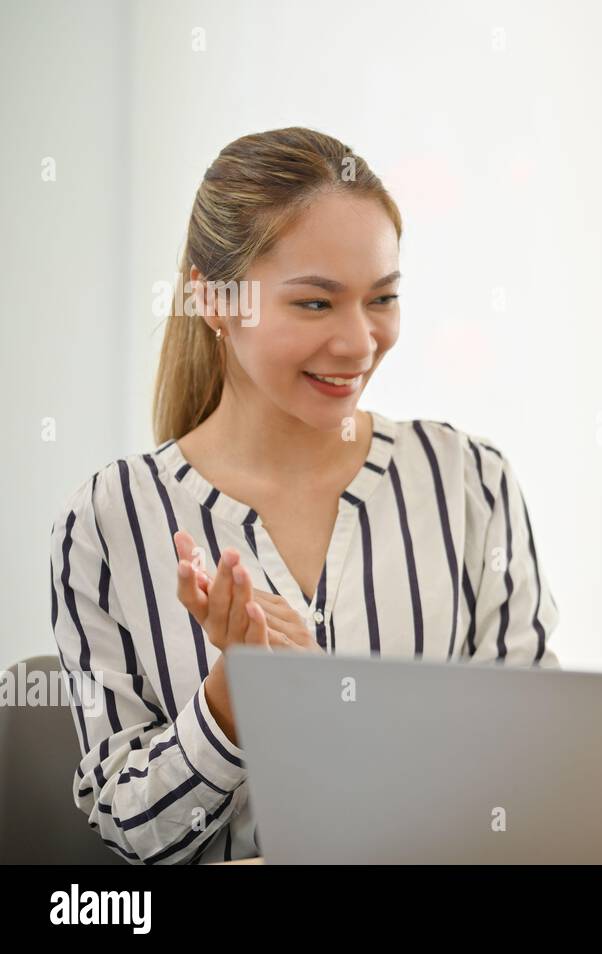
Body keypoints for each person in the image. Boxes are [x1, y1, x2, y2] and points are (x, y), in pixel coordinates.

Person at [49, 127, 559, 864]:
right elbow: (132, 835)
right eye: (317, 305)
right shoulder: (109, 519)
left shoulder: (470, 481)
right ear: (214, 300)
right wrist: (232, 700)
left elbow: (538, 773)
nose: (359, 342)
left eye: (381, 298)